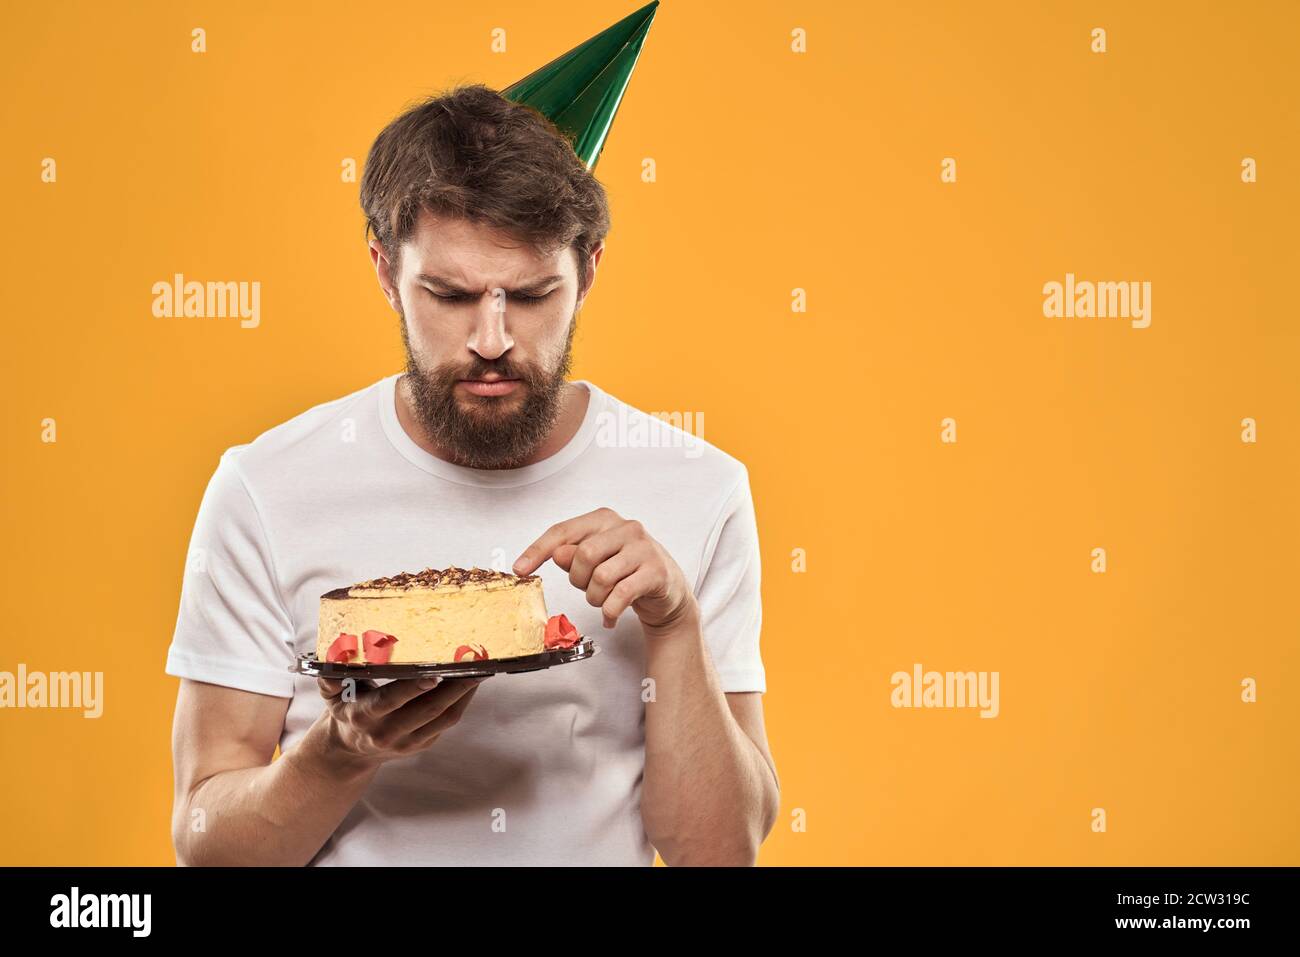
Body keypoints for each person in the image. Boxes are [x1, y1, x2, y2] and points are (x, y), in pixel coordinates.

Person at [164, 82, 778, 866]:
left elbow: (720, 852)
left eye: (530, 295)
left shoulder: (699, 488)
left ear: (588, 272)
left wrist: (675, 622)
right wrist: (343, 751)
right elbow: (204, 844)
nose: (492, 339)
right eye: (449, 294)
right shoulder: (265, 487)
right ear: (386, 271)